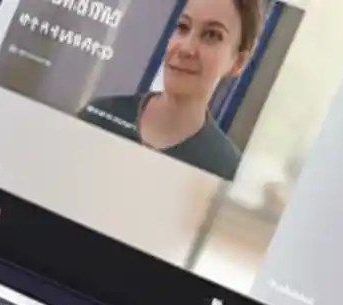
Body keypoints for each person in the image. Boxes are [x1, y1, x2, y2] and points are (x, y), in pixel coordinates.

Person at [78, 0, 266, 180]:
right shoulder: (99, 116)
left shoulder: (225, 170)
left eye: (212, 35)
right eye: (183, 27)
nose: (185, 48)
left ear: (238, 62)